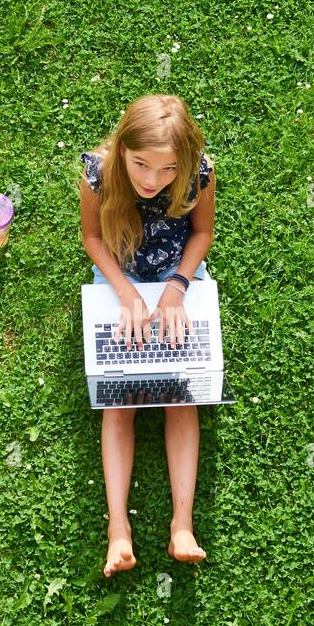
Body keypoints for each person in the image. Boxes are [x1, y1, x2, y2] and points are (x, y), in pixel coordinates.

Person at [79, 94, 216, 577]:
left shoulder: (199, 173)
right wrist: (126, 294)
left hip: (179, 279)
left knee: (183, 396)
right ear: (122, 151)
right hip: (119, 278)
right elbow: (93, 239)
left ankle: (182, 525)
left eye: (167, 169)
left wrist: (177, 287)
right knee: (119, 399)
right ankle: (119, 529)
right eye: (140, 164)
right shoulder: (98, 173)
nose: (151, 180)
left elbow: (202, 234)